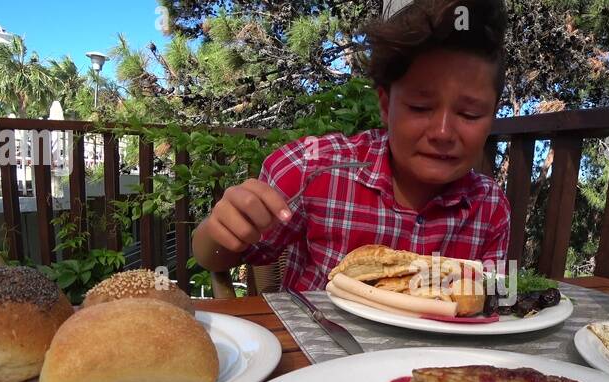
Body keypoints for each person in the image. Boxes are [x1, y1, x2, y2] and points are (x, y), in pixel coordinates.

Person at [192, 0, 511, 292]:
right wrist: (219, 230)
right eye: (420, 107)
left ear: (492, 117)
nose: (443, 132)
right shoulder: (313, 168)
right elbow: (216, 258)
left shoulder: (489, 207)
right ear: (386, 106)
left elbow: (489, 303)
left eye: (469, 114)